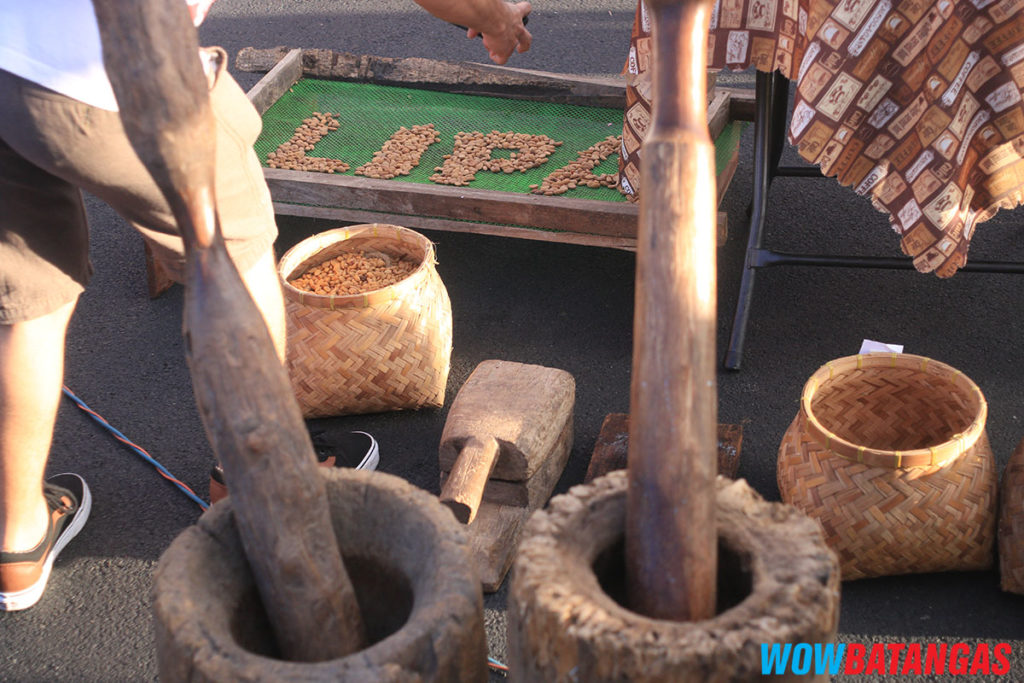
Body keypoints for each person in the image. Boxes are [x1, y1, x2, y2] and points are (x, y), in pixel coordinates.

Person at [0, 0, 531, 611]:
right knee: (233, 262)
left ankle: (15, 540)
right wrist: (494, 16)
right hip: (103, 74)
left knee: (28, 299)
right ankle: (262, 499)